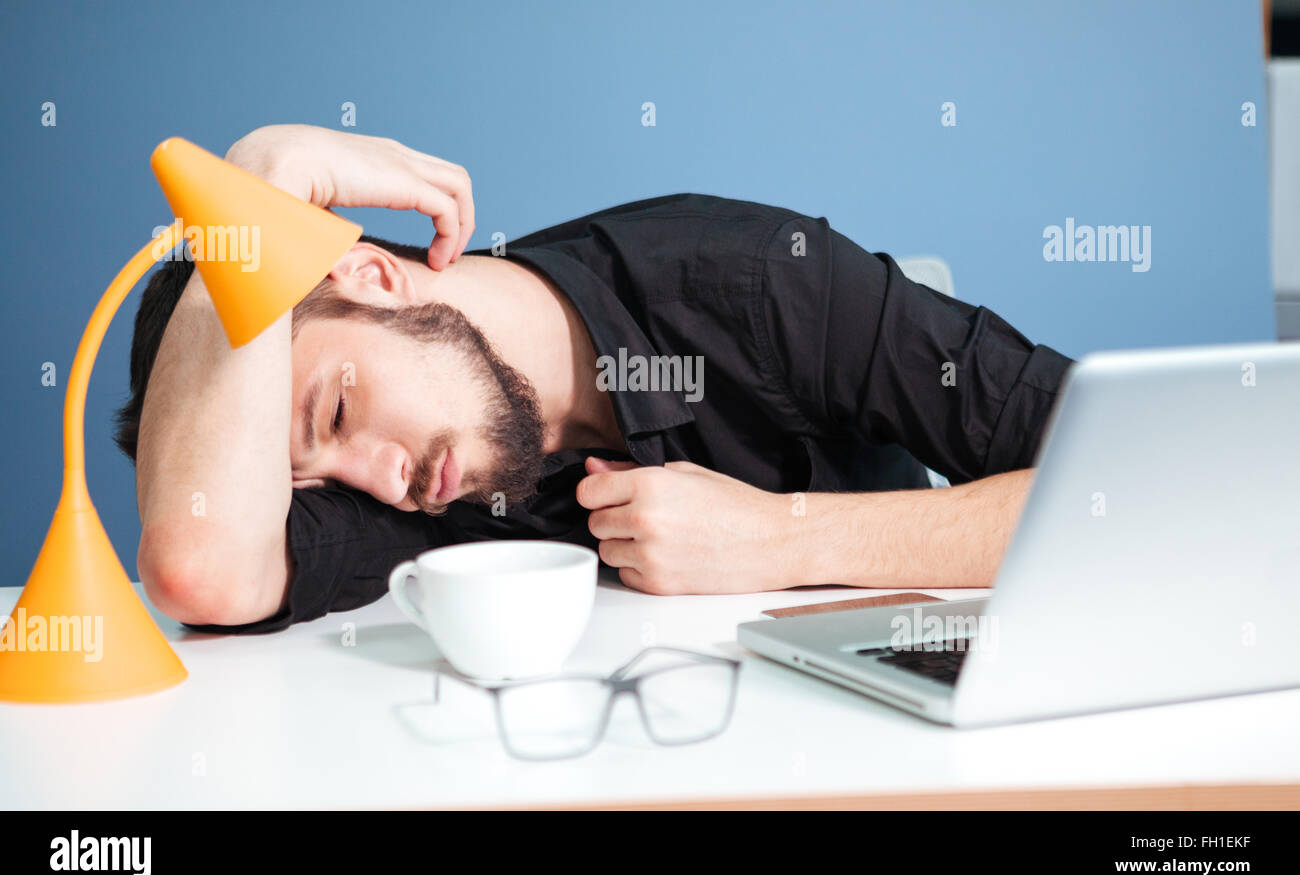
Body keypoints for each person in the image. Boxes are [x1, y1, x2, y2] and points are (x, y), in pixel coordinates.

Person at [118, 124, 1074, 634]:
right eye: (317, 480)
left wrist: (781, 538)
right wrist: (245, 202)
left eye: (334, 409)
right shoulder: (410, 476)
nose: (377, 480)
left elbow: (1149, 492)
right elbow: (200, 566)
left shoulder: (763, 280)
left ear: (372, 277)